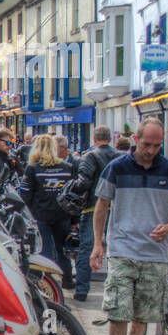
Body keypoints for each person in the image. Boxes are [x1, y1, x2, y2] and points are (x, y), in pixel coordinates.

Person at [89, 117, 168, 335]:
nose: (151, 151)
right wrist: (99, 244)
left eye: (157, 146)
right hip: (122, 249)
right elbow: (102, 205)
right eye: (147, 144)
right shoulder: (117, 167)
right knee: (118, 311)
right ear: (136, 139)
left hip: (154, 253)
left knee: (142, 315)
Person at [20, 135, 76, 289]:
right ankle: (68, 279)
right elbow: (74, 195)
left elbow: (25, 194)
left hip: (40, 215)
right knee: (61, 249)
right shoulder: (67, 168)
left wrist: (26, 215)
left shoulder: (33, 168)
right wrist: (75, 219)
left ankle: (46, 284)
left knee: (44, 251)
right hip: (62, 215)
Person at [70, 126, 118, 302]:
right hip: (116, 207)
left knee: (87, 248)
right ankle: (116, 291)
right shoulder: (120, 156)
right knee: (116, 249)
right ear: (109, 139)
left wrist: (73, 189)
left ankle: (82, 290)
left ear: (94, 138)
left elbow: (83, 182)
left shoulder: (90, 156)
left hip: (93, 206)